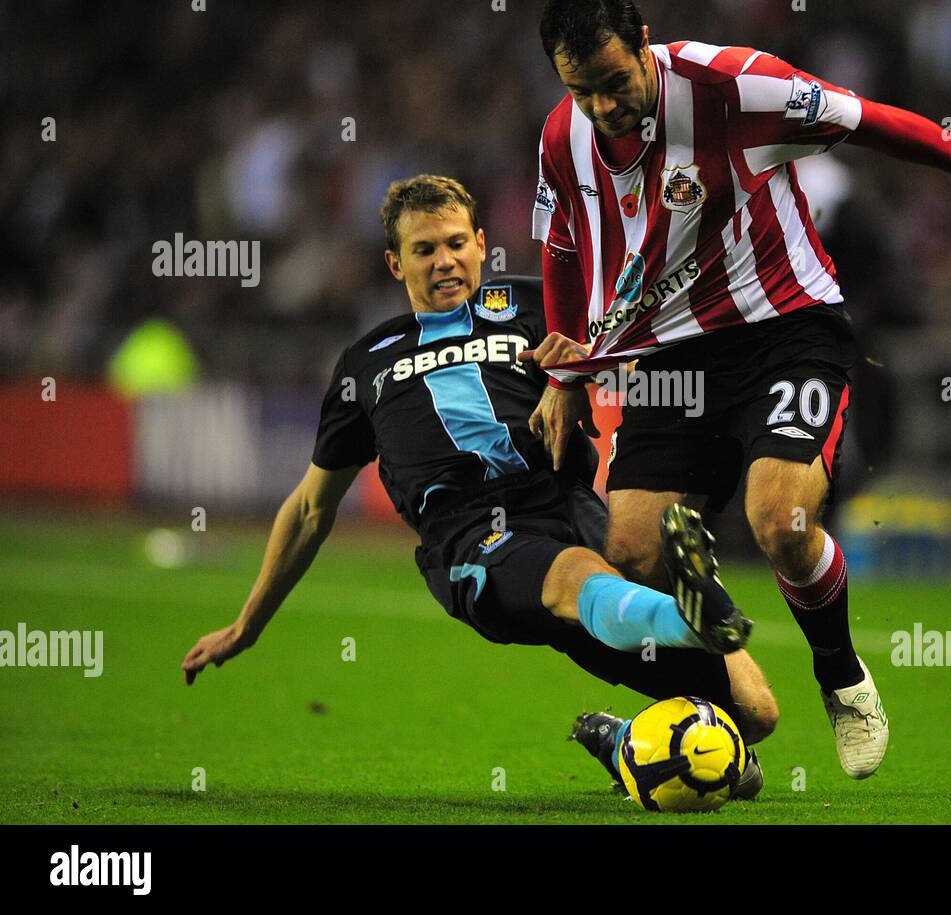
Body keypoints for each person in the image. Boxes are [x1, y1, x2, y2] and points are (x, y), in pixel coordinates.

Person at [528, 0, 951, 779]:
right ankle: (717, 721)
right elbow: (563, 246)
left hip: (785, 329)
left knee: (781, 520)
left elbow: (867, 119)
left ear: (645, 42)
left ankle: (841, 675)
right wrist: (568, 372)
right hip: (673, 356)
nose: (603, 106)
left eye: (614, 82)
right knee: (634, 555)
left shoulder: (734, 87)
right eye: (582, 91)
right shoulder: (561, 137)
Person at [180, 174, 777, 795]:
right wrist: (246, 625)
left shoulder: (536, 304)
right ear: (395, 263)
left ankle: (627, 742)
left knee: (754, 714)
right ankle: (691, 616)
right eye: (424, 249)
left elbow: (634, 344)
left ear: (482, 244)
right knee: (578, 574)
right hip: (472, 537)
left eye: (456, 243)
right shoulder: (367, 362)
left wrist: (580, 369)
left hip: (566, 502)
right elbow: (310, 507)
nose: (445, 261)